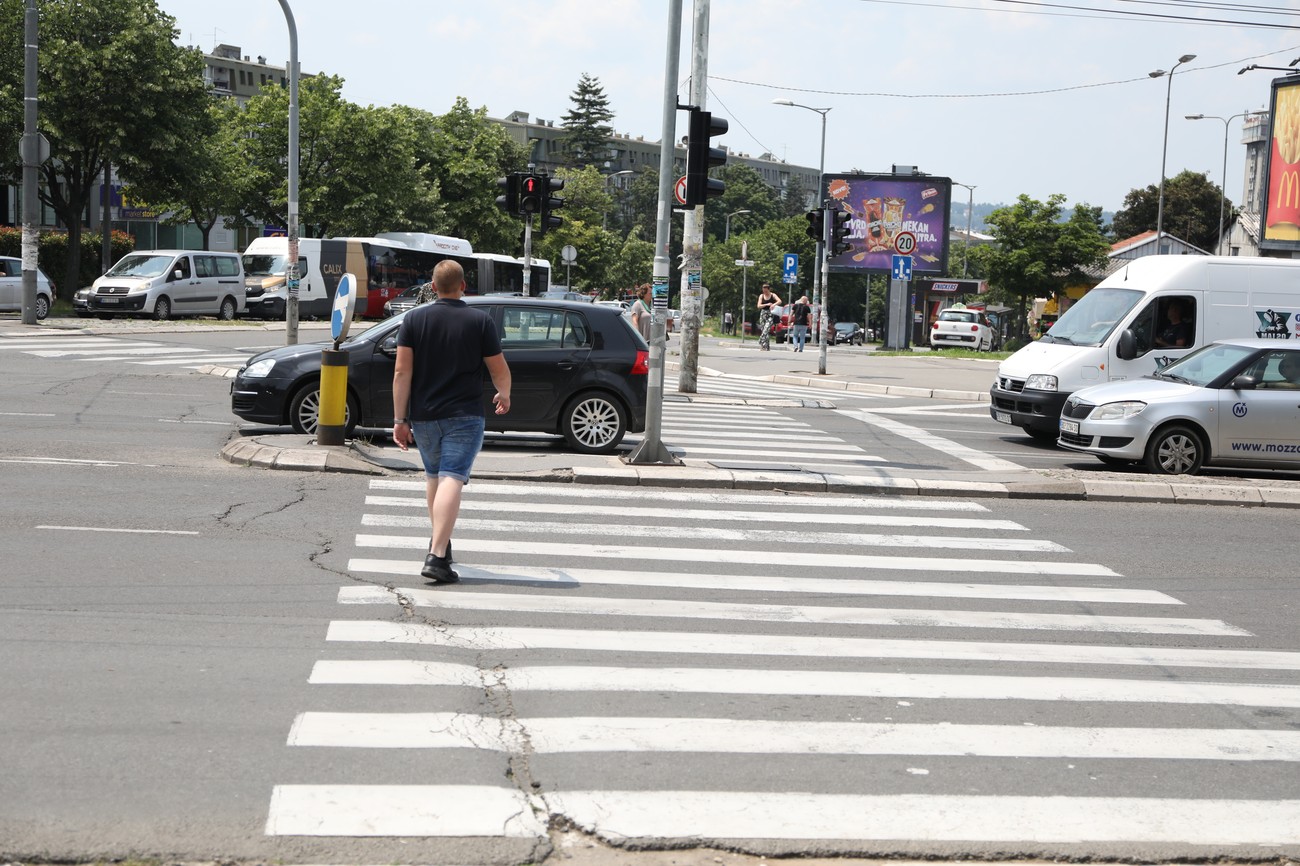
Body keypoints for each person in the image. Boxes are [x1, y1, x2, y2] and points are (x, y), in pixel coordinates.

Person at [392, 259, 511, 584]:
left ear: (432, 287)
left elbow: (402, 372)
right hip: (464, 416)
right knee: (452, 478)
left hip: (424, 416)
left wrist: (400, 419)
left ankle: (440, 549)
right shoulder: (479, 321)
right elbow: (498, 368)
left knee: (435, 477)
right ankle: (437, 553)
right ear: (463, 286)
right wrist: (504, 394)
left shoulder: (414, 319)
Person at [757, 284, 781, 351]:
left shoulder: (773, 295)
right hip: (763, 314)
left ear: (768, 289)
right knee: (764, 330)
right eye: (763, 290)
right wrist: (766, 304)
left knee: (766, 329)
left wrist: (773, 304)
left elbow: (779, 301)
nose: (765, 292)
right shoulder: (761, 296)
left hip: (771, 314)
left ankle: (760, 341)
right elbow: (758, 306)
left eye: (766, 291)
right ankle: (765, 346)